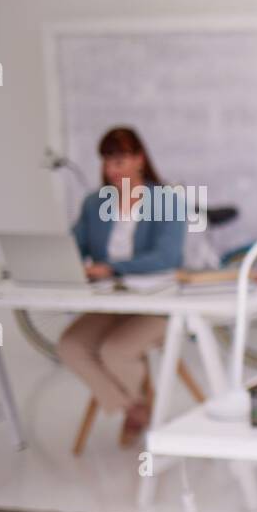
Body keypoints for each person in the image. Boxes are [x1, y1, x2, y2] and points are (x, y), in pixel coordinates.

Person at [56, 127, 186, 445]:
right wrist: (63, 261)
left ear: (139, 159)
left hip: (156, 305)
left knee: (115, 352)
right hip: (111, 304)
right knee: (70, 347)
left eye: (120, 160)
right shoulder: (94, 204)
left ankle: (133, 409)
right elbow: (74, 247)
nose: (112, 170)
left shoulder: (167, 200)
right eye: (107, 161)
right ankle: (136, 407)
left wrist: (113, 268)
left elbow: (167, 257)